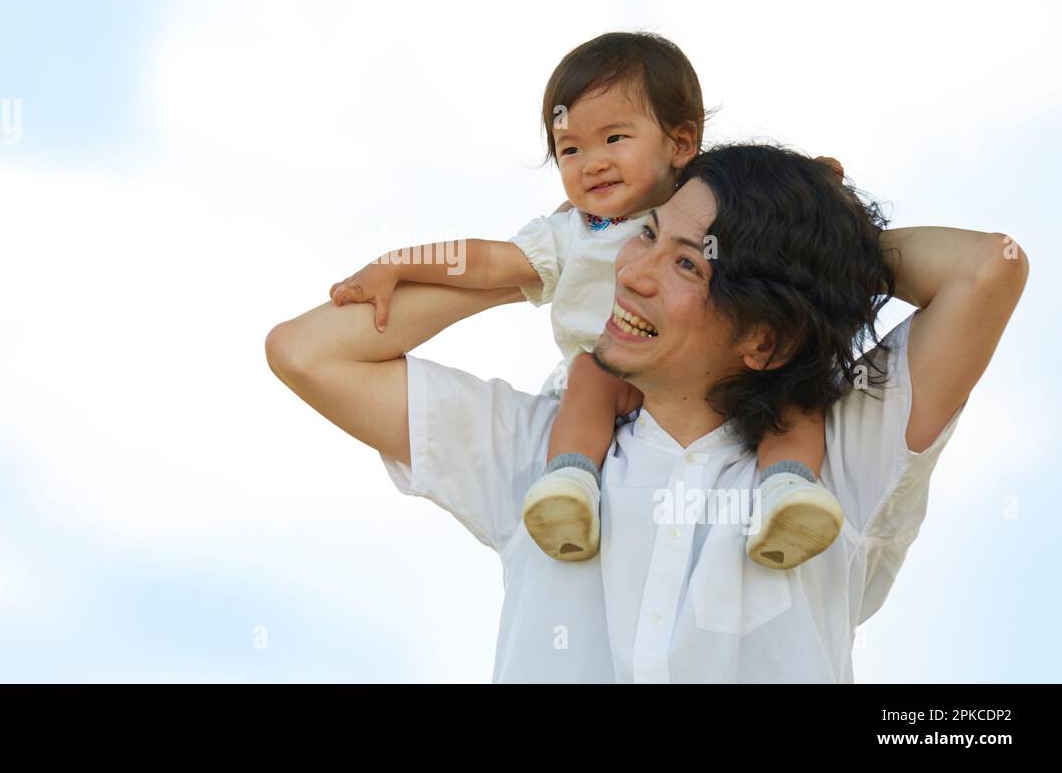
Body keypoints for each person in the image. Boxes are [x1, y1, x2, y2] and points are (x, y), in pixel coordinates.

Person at [266, 142, 1027, 682]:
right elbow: (307, 351)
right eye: (647, 238)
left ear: (763, 338)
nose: (632, 274)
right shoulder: (542, 453)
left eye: (688, 264)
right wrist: (549, 268)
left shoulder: (838, 458)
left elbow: (990, 268)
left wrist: (817, 255)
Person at [327, 32, 841, 570]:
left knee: (796, 393)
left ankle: (788, 492)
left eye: (615, 137)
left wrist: (815, 190)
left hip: (712, 383)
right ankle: (571, 481)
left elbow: (782, 225)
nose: (591, 163)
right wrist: (399, 264)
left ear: (681, 142)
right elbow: (483, 261)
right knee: (591, 375)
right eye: (570, 149)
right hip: (610, 380)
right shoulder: (574, 232)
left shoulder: (711, 206)